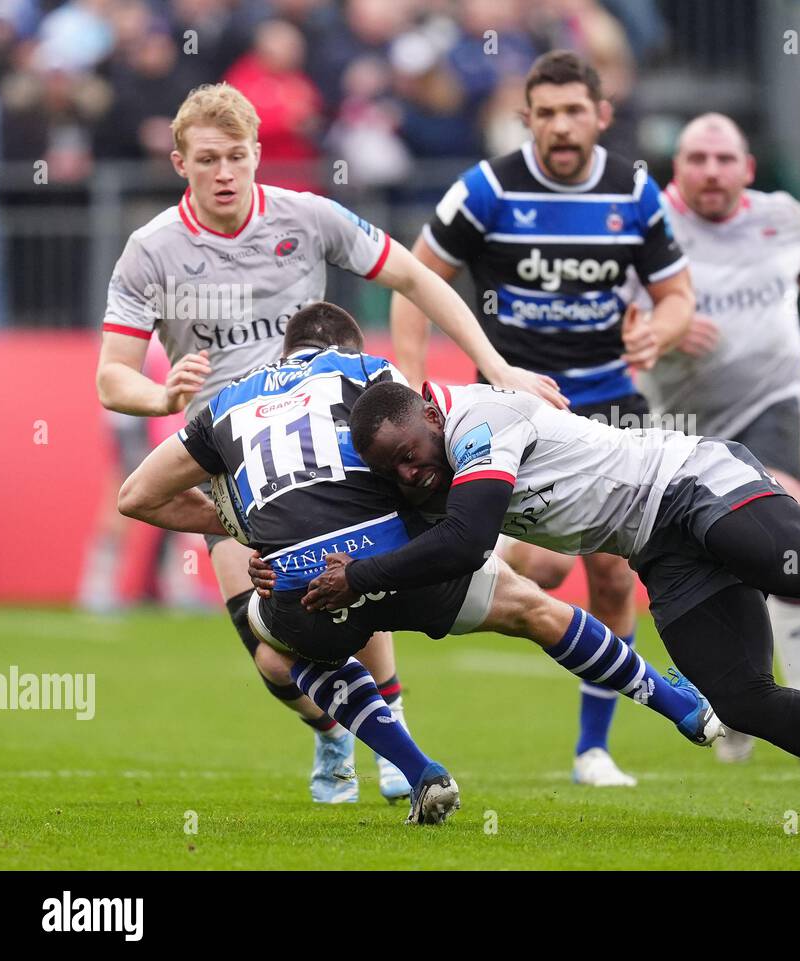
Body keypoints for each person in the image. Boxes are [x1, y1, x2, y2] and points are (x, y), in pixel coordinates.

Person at [251, 380, 800, 838]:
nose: (413, 475)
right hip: (660, 549)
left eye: (414, 456)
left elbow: (466, 541)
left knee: (799, 567)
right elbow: (408, 527)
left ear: (432, 416)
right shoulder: (424, 453)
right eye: (396, 471)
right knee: (740, 699)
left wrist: (356, 579)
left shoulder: (477, 419)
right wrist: (277, 564)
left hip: (687, 481)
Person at [95, 82, 565, 806]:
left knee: (358, 582)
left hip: (325, 442)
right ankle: (330, 731)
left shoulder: (306, 216)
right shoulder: (150, 250)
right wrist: (160, 396)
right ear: (179, 161)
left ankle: (395, 724)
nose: (226, 172)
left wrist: (497, 367)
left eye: (239, 156)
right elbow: (110, 377)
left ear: (257, 155)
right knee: (272, 659)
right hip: (230, 462)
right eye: (209, 159)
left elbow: (415, 275)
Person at [116, 302, 723, 826]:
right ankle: (686, 710)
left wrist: (250, 529)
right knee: (533, 609)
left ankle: (419, 771)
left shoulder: (224, 405)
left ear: (286, 350)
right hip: (396, 550)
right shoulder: (366, 372)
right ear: (348, 346)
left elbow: (136, 496)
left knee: (281, 637)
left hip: (300, 575)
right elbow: (426, 464)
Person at [390, 50, 695, 787]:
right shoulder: (487, 189)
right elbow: (412, 280)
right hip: (510, 403)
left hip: (609, 397)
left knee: (618, 575)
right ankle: (481, 580)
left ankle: (594, 747)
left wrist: (664, 328)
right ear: (527, 118)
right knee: (551, 564)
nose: (560, 126)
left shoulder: (634, 190)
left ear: (602, 115)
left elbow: (678, 294)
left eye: (574, 112)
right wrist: (409, 381)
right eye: (547, 113)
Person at [635, 112, 800, 763]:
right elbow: (617, 316)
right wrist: (663, 324)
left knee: (790, 544)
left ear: (748, 168)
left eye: (724, 159)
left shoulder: (783, 216)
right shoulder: (648, 222)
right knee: (715, 565)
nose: (711, 171)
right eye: (698, 159)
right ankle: (744, 704)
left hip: (771, 403)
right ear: (676, 167)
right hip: (679, 425)